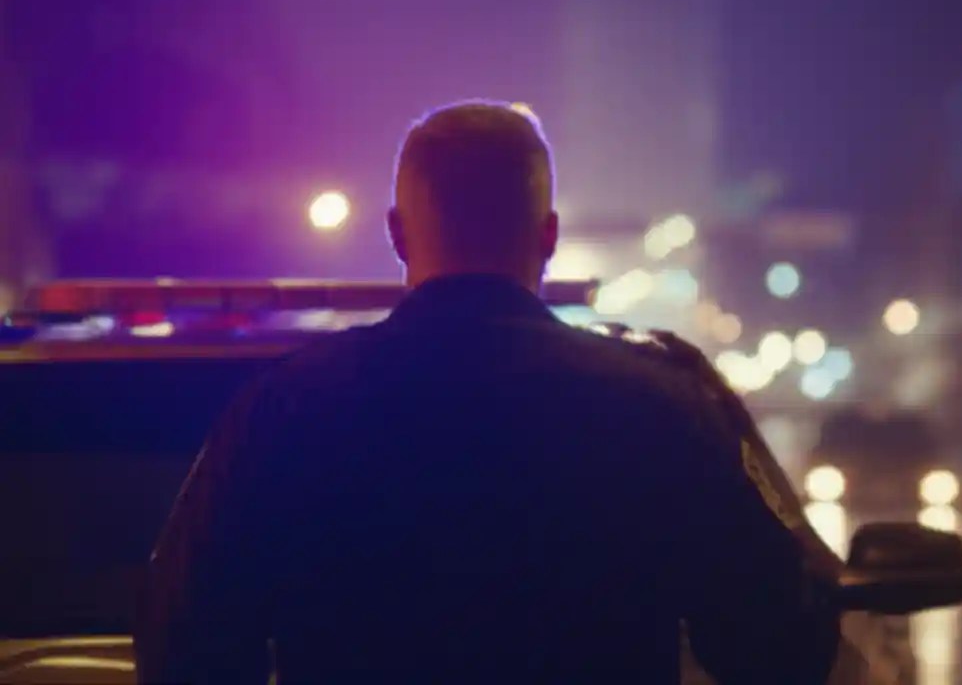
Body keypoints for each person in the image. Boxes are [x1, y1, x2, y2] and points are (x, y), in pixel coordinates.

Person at [134, 101, 841, 684]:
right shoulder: (663, 408)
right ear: (549, 236)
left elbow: (186, 642)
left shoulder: (287, 409)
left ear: (397, 235)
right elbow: (778, 646)